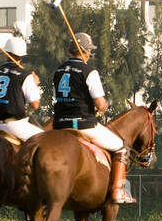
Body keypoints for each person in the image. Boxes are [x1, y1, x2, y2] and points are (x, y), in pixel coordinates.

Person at [51, 33, 135, 204]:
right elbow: (100, 104)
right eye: (88, 50)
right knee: (122, 147)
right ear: (83, 51)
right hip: (83, 124)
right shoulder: (89, 71)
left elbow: (57, 96)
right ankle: (118, 191)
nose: (89, 53)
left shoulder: (58, 71)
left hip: (59, 125)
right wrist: (103, 106)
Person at [0, 37, 43, 140]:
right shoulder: (25, 76)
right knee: (44, 137)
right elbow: (35, 105)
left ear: (6, 53)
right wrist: (35, 84)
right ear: (23, 55)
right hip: (16, 127)